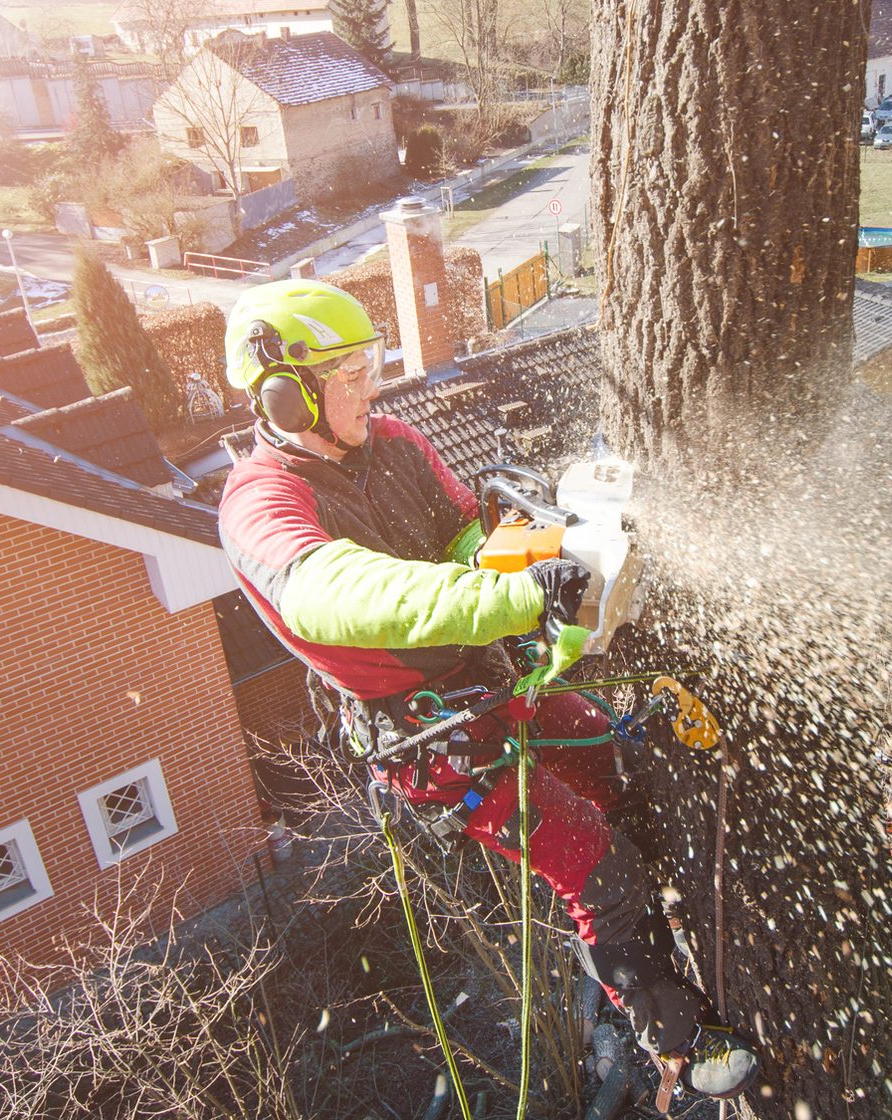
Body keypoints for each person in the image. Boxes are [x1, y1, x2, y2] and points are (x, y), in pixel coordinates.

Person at [215, 279, 759, 1100]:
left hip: (494, 682)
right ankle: (681, 1042)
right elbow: (341, 594)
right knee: (592, 863)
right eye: (349, 372)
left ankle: (655, 922)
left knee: (614, 769)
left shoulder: (394, 443)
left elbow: (474, 535)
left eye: (371, 363)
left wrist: (568, 545)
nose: (372, 386)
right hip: (437, 741)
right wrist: (515, 595)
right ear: (288, 397)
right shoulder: (261, 504)